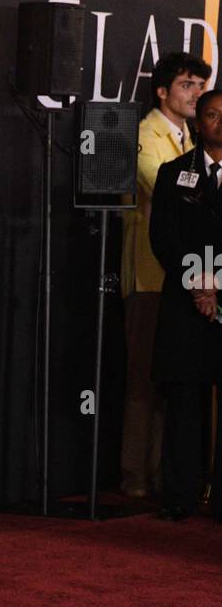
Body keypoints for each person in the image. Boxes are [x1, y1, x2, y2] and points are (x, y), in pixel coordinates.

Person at [120, 51, 209, 499]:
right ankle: (136, 478)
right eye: (187, 85)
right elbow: (168, 190)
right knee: (143, 382)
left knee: (178, 380)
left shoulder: (192, 136)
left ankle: (168, 479)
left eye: (199, 86)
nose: (195, 94)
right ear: (162, 91)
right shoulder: (145, 134)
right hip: (152, 276)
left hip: (188, 280)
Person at [149, 86, 222, 521]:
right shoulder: (173, 172)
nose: (220, 122)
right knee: (183, 401)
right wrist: (198, 284)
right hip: (185, 303)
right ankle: (179, 494)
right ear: (199, 121)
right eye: (212, 114)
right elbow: (163, 236)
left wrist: (218, 288)